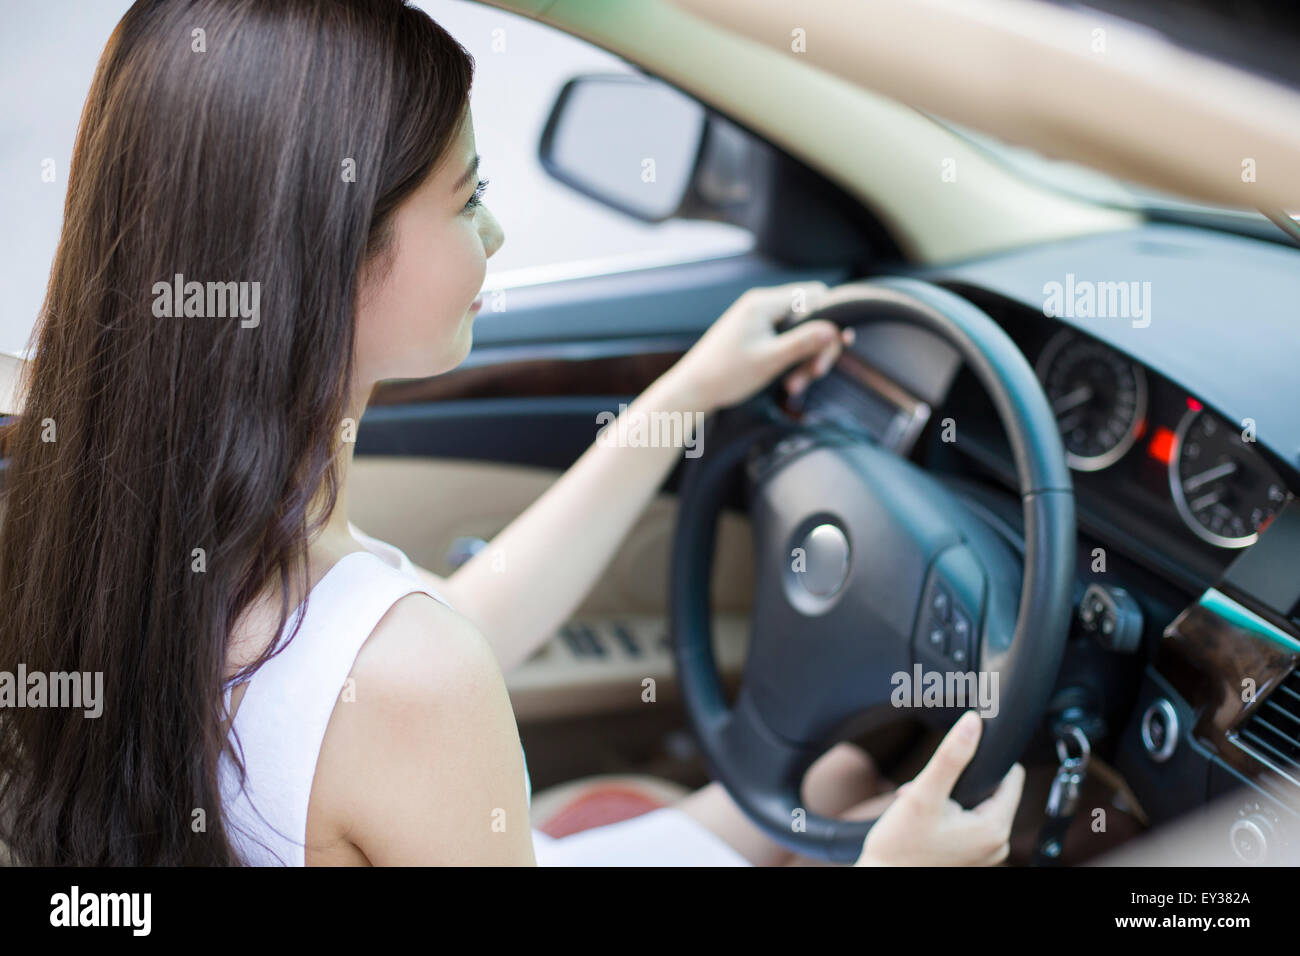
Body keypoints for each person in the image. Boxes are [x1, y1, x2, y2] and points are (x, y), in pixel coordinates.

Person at [0, 0, 1023, 866]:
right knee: (840, 809)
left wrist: (688, 392)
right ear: (336, 261)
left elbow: (423, 637)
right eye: (469, 196)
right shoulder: (412, 679)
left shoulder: (107, 537)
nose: (495, 234)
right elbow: (418, 667)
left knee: (819, 783)